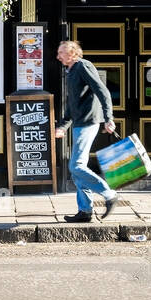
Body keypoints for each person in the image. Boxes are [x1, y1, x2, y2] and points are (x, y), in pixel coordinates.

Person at [53, 40, 118, 223]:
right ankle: (85, 211)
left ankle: (109, 194)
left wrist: (108, 118)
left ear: (72, 53)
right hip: (79, 123)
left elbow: (102, 91)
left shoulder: (83, 66)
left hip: (89, 122)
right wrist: (63, 126)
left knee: (76, 166)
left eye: (61, 52)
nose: (58, 56)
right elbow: (73, 103)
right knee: (77, 170)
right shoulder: (71, 71)